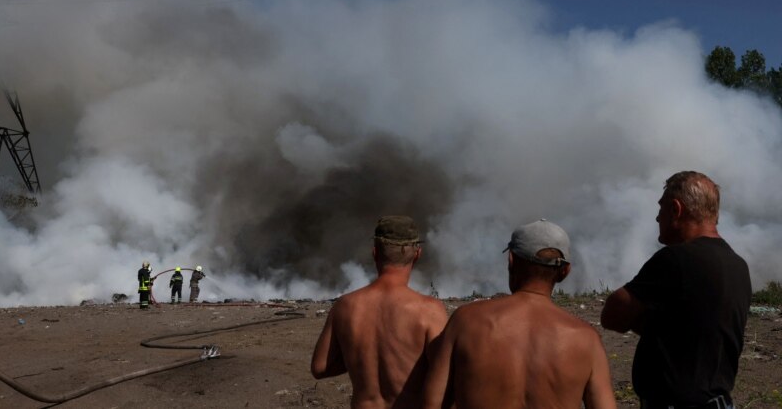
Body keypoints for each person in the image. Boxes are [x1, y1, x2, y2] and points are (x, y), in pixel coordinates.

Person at [423, 219, 616, 409]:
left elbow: (432, 402)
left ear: (511, 260)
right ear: (565, 271)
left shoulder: (466, 321)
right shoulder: (586, 339)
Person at [601, 171, 752, 409]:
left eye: (661, 208)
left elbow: (612, 314)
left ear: (676, 209)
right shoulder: (737, 264)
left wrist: (644, 322)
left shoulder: (677, 259)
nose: (656, 218)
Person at [311, 215, 448, 409]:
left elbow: (319, 367)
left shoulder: (345, 305)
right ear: (418, 254)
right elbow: (445, 376)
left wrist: (358, 359)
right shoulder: (429, 310)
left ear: (375, 253)